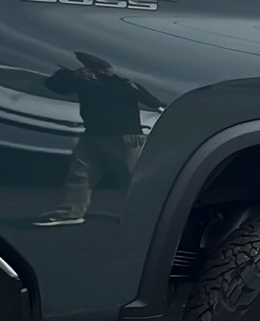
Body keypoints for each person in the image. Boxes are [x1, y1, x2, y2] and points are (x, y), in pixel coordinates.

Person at [34, 52, 163, 226]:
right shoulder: (81, 79)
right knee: (80, 175)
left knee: (134, 180)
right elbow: (54, 85)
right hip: (93, 135)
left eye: (98, 67)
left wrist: (135, 89)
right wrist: (74, 75)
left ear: (108, 68)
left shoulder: (123, 84)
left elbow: (155, 103)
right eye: (89, 66)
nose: (93, 70)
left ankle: (146, 218)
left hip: (124, 137)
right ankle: (69, 213)